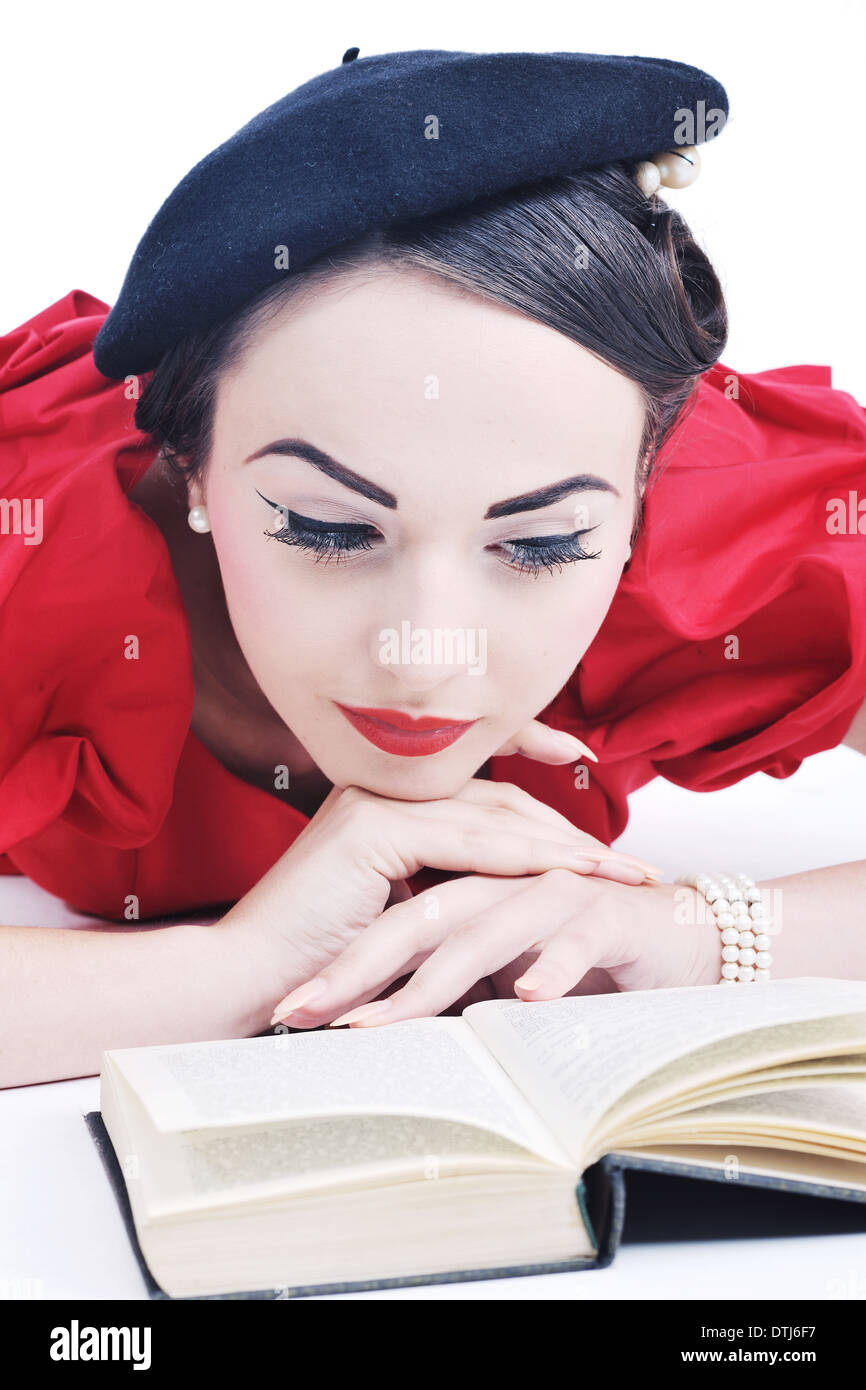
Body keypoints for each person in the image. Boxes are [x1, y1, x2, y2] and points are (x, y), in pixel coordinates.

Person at [1, 49, 864, 1088]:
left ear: (645, 484)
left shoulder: (739, 522)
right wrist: (236, 967)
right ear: (187, 464)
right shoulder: (28, 538)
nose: (422, 655)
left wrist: (691, 935)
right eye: (327, 528)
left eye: (540, 545)